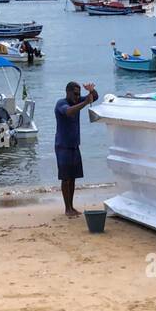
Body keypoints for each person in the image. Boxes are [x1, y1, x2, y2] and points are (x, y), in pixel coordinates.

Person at [54, 80, 99, 218]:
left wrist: (91, 91)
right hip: (63, 146)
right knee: (65, 178)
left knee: (73, 177)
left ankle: (71, 206)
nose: (77, 96)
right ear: (67, 92)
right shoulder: (61, 103)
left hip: (74, 145)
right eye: (75, 94)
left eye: (79, 94)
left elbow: (95, 97)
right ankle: (67, 208)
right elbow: (69, 112)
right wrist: (85, 102)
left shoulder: (77, 101)